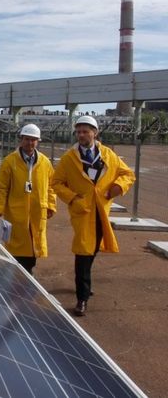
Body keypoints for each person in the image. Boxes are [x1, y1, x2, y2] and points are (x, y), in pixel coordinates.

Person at [52, 116, 135, 317]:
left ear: (95, 133)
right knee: (83, 252)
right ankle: (82, 298)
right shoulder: (69, 159)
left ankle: (85, 282)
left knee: (93, 248)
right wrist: (73, 198)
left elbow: (128, 174)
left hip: (101, 212)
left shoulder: (108, 155)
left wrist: (116, 188)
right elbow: (56, 183)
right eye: (78, 131)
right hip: (83, 212)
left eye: (85, 131)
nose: (81, 135)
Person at [0, 124, 56, 274]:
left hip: (36, 213)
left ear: (38, 141)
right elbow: (1, 188)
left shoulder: (45, 162)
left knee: (32, 251)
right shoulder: (10, 161)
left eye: (33, 140)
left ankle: (26, 279)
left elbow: (51, 186)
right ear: (21, 139)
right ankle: (19, 281)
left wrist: (51, 205)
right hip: (16, 214)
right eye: (27, 139)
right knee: (16, 251)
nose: (30, 143)